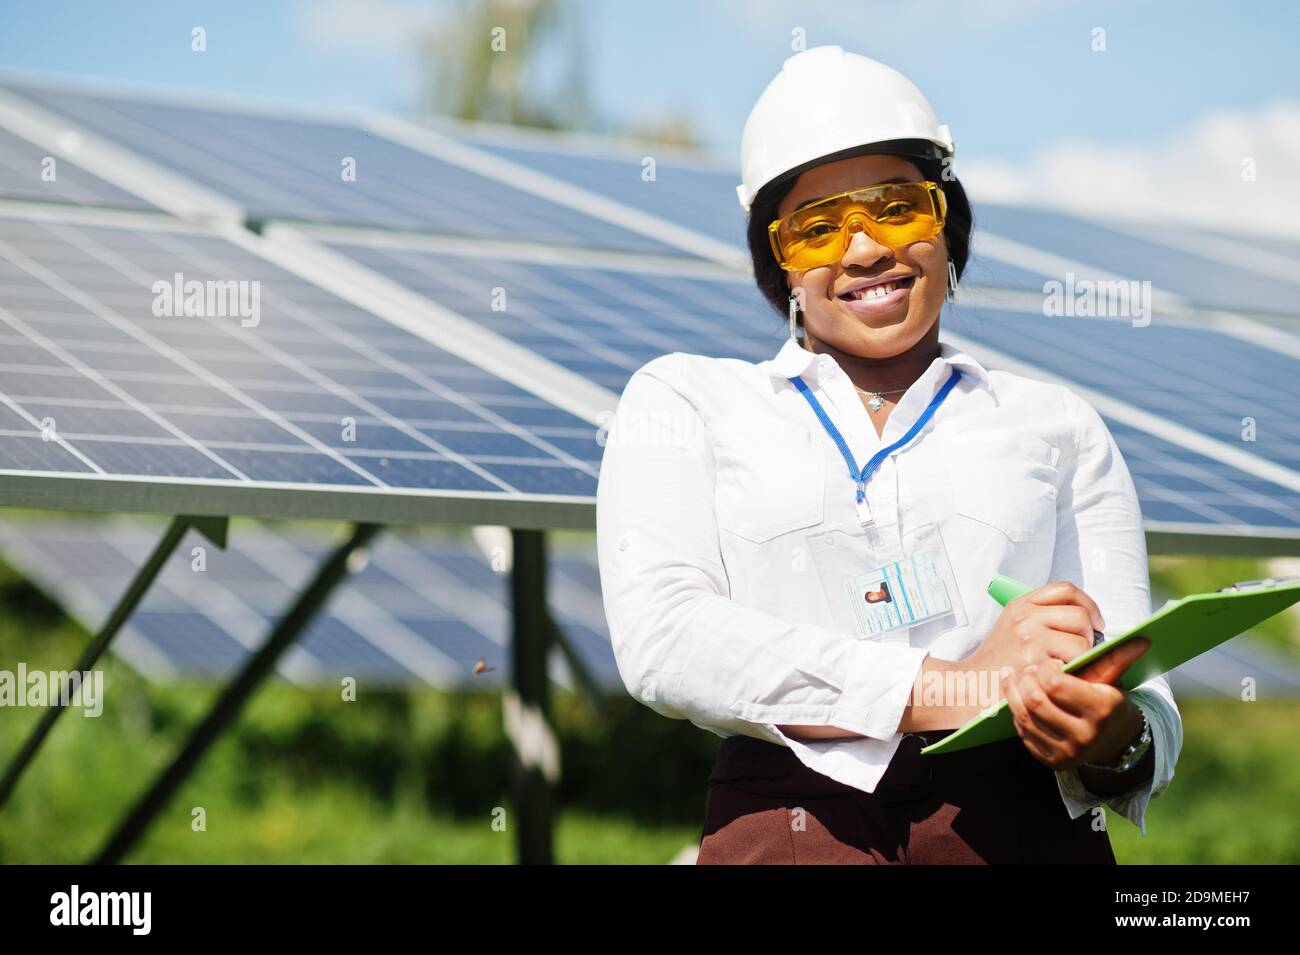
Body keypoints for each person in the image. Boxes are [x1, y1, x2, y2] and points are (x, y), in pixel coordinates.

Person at [595, 45, 1182, 864]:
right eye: (818, 227)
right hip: (795, 834)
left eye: (897, 207)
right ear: (780, 261)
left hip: (1017, 831)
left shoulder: (1056, 425)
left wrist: (1109, 734)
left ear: (946, 222)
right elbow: (666, 640)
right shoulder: (687, 402)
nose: (865, 249)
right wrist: (964, 686)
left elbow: (1142, 691)